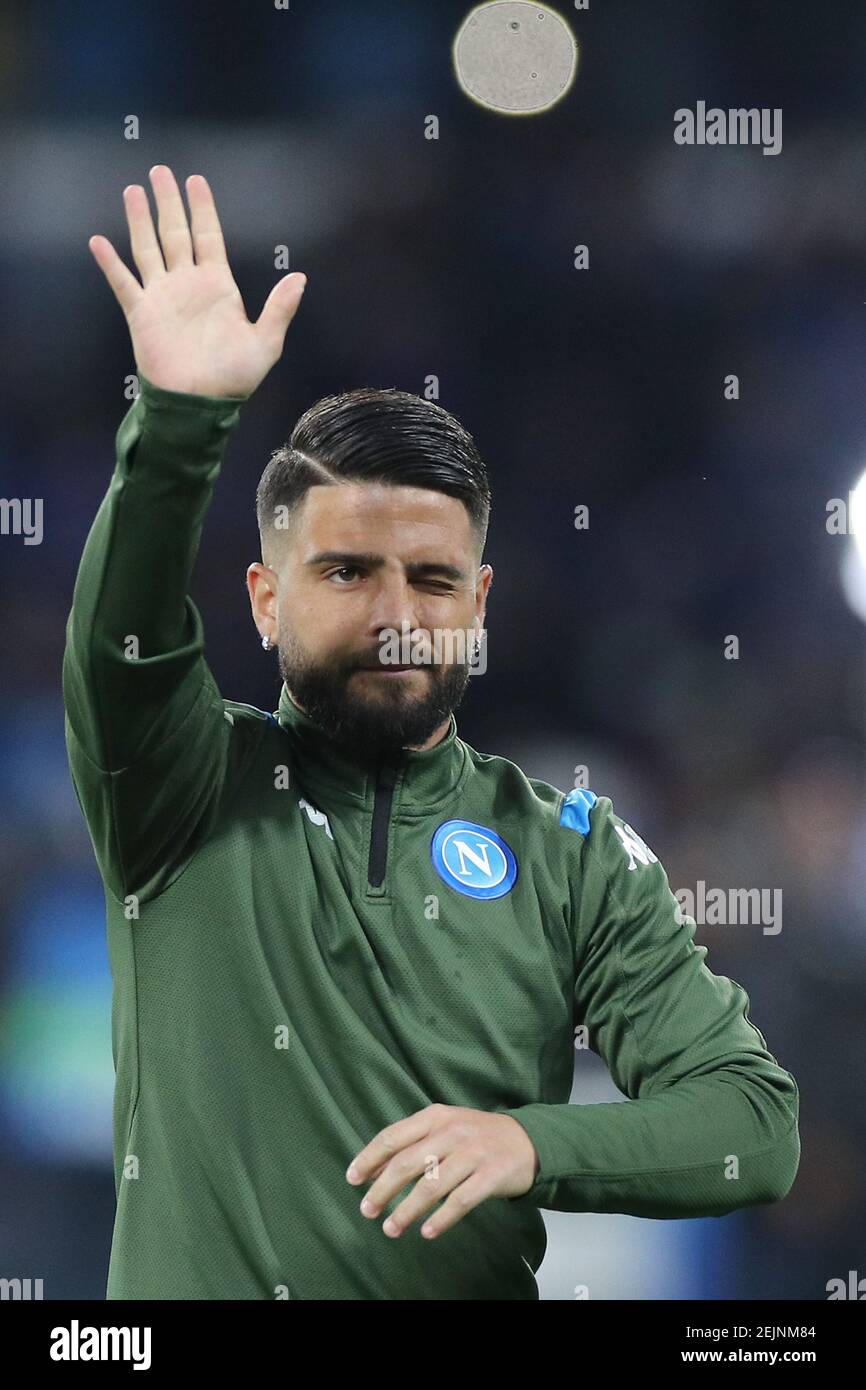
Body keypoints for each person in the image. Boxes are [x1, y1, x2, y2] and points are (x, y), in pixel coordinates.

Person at [65, 164, 800, 1300]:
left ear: (479, 602)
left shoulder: (571, 852)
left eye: (432, 578)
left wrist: (530, 1143)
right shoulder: (182, 782)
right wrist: (178, 426)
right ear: (264, 598)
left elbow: (751, 1125)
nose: (398, 616)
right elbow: (123, 635)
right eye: (347, 572)